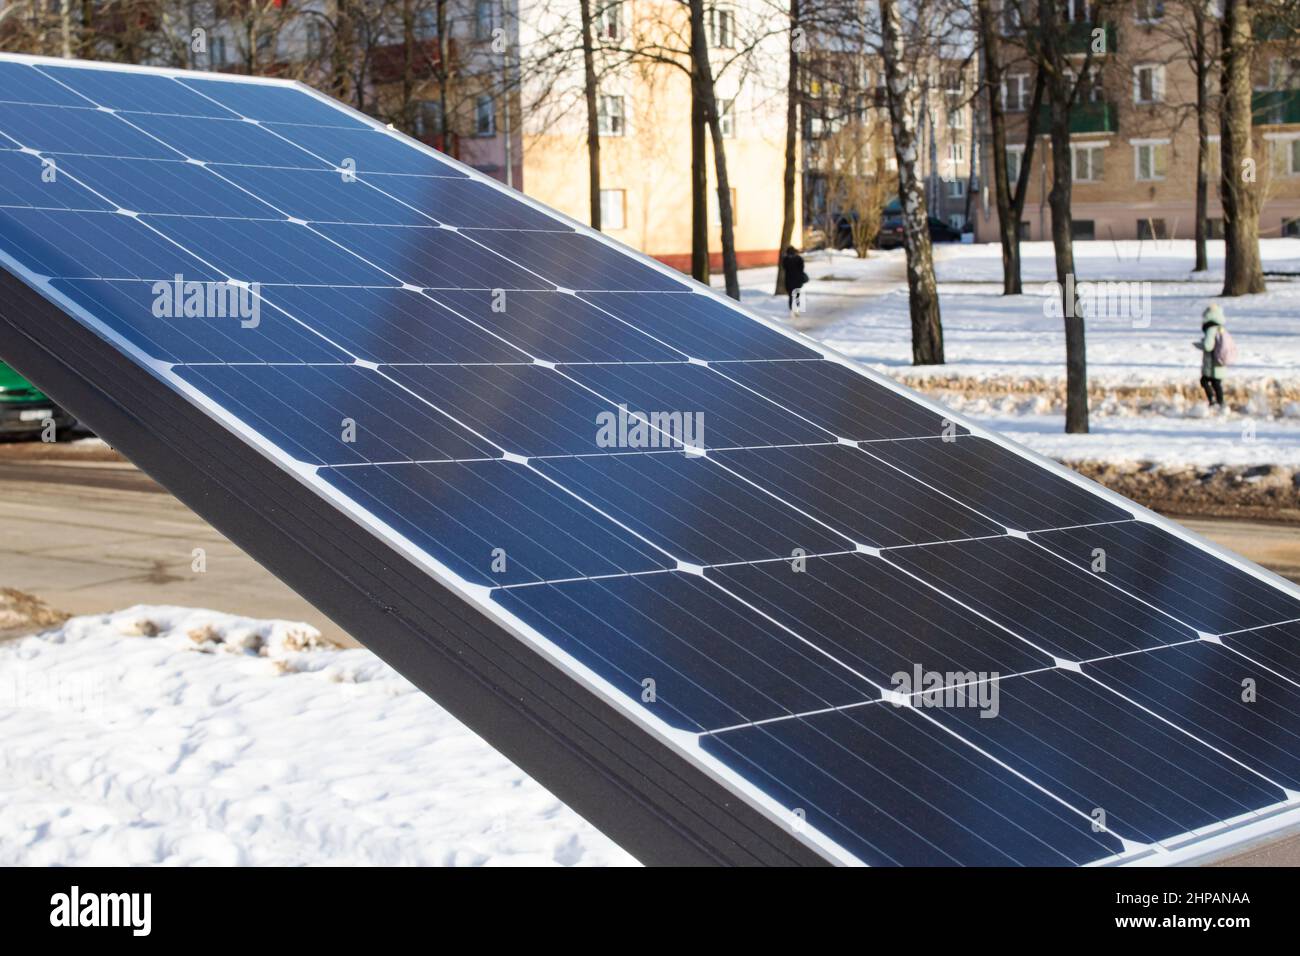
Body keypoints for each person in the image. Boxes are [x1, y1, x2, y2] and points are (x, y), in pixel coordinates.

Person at [1195, 303, 1227, 408]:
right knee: (1216, 383)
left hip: (1212, 362)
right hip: (1220, 360)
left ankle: (1214, 402)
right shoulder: (1220, 328)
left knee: (1205, 381)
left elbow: (1208, 346)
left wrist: (1199, 345)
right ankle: (1219, 403)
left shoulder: (1211, 329)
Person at [781, 246, 808, 312]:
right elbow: (802, 269)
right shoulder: (799, 258)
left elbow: (784, 267)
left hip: (789, 281)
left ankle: (791, 309)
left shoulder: (786, 260)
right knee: (797, 295)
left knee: (791, 296)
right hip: (797, 281)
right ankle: (797, 309)